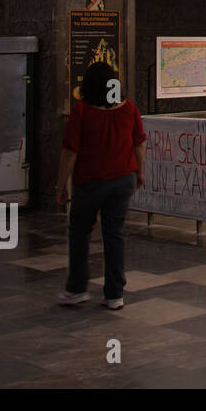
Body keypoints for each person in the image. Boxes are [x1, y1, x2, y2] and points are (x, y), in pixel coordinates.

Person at [56, 61, 145, 310]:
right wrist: (140, 172)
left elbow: (70, 151)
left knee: (80, 233)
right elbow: (139, 143)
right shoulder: (129, 109)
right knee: (115, 235)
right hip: (123, 179)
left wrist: (61, 184)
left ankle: (76, 289)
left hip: (90, 182)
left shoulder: (82, 112)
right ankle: (115, 294)